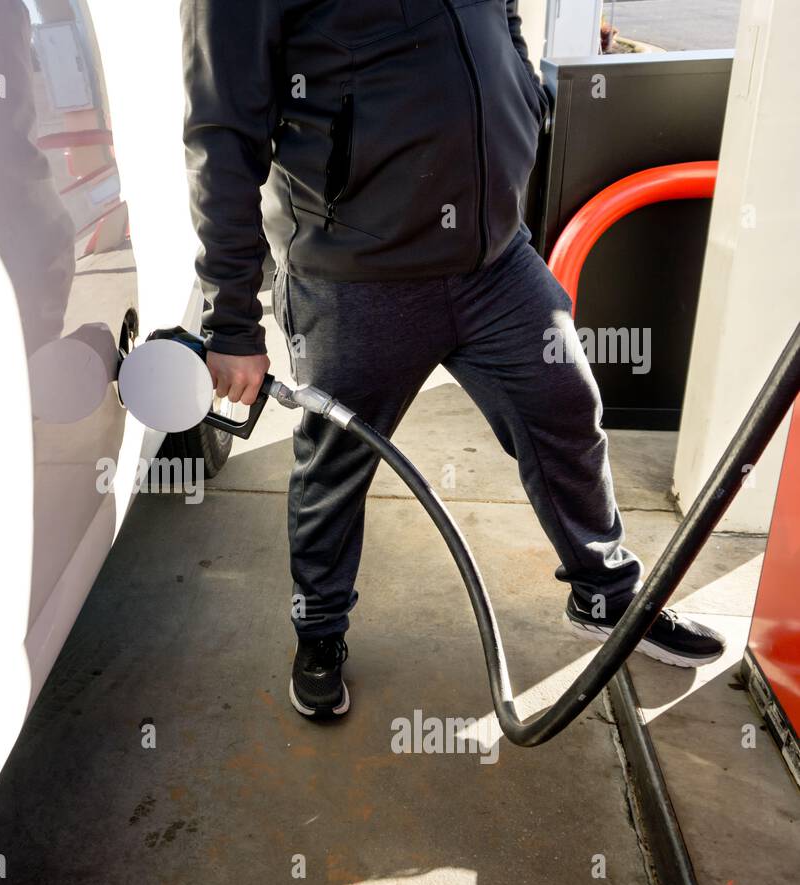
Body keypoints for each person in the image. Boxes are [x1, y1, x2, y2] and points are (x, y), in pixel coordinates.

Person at [181, 0, 725, 718]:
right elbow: (221, 135)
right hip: (357, 274)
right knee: (335, 465)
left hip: (496, 259)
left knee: (565, 405)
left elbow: (501, 13)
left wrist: (521, 102)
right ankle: (318, 631)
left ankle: (608, 593)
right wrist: (231, 319)